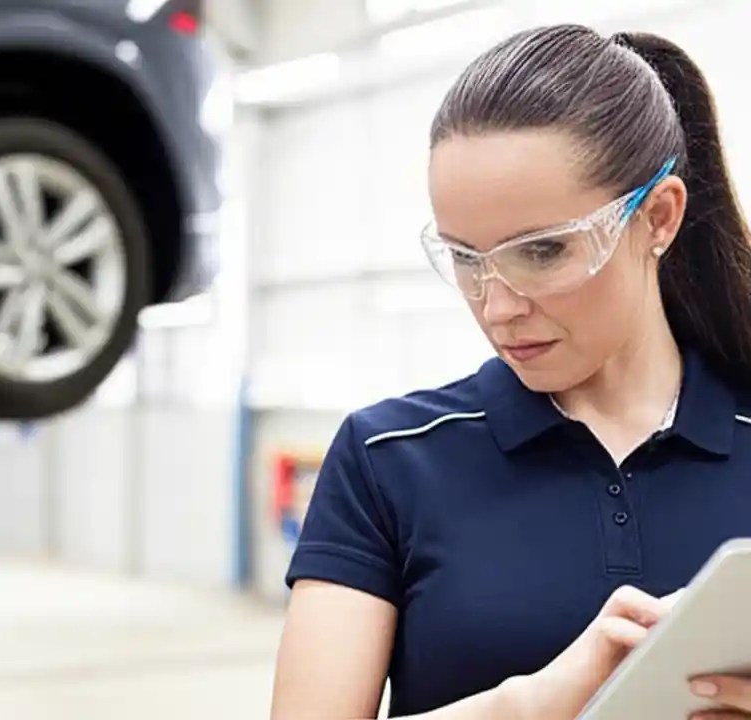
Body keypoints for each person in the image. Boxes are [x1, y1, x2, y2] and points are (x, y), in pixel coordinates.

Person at [271, 26, 751, 720]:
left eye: (544, 251)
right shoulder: (389, 461)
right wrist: (530, 705)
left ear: (658, 217)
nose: (497, 307)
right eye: (465, 258)